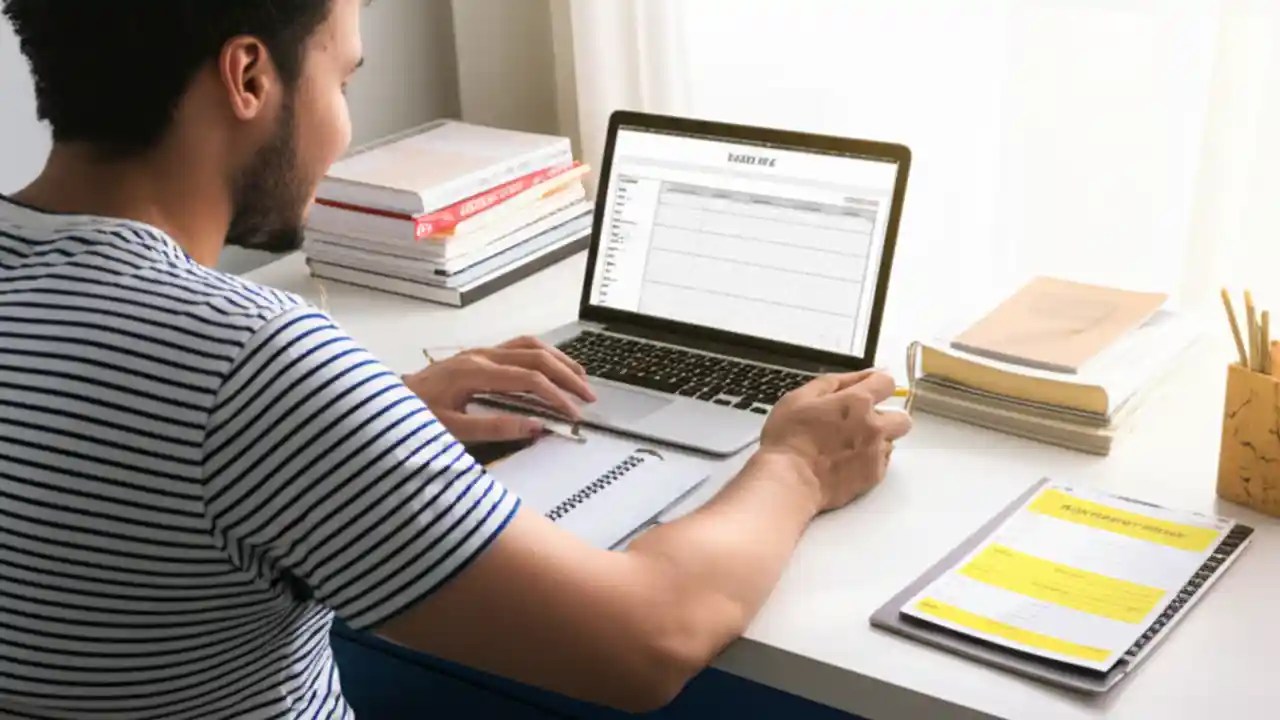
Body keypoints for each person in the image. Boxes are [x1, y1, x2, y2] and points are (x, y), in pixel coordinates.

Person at [0, 1, 913, 717]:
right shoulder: (251, 362)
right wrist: (795, 464)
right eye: (345, 75)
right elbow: (648, 641)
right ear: (249, 76)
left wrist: (372, 412)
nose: (342, 121)